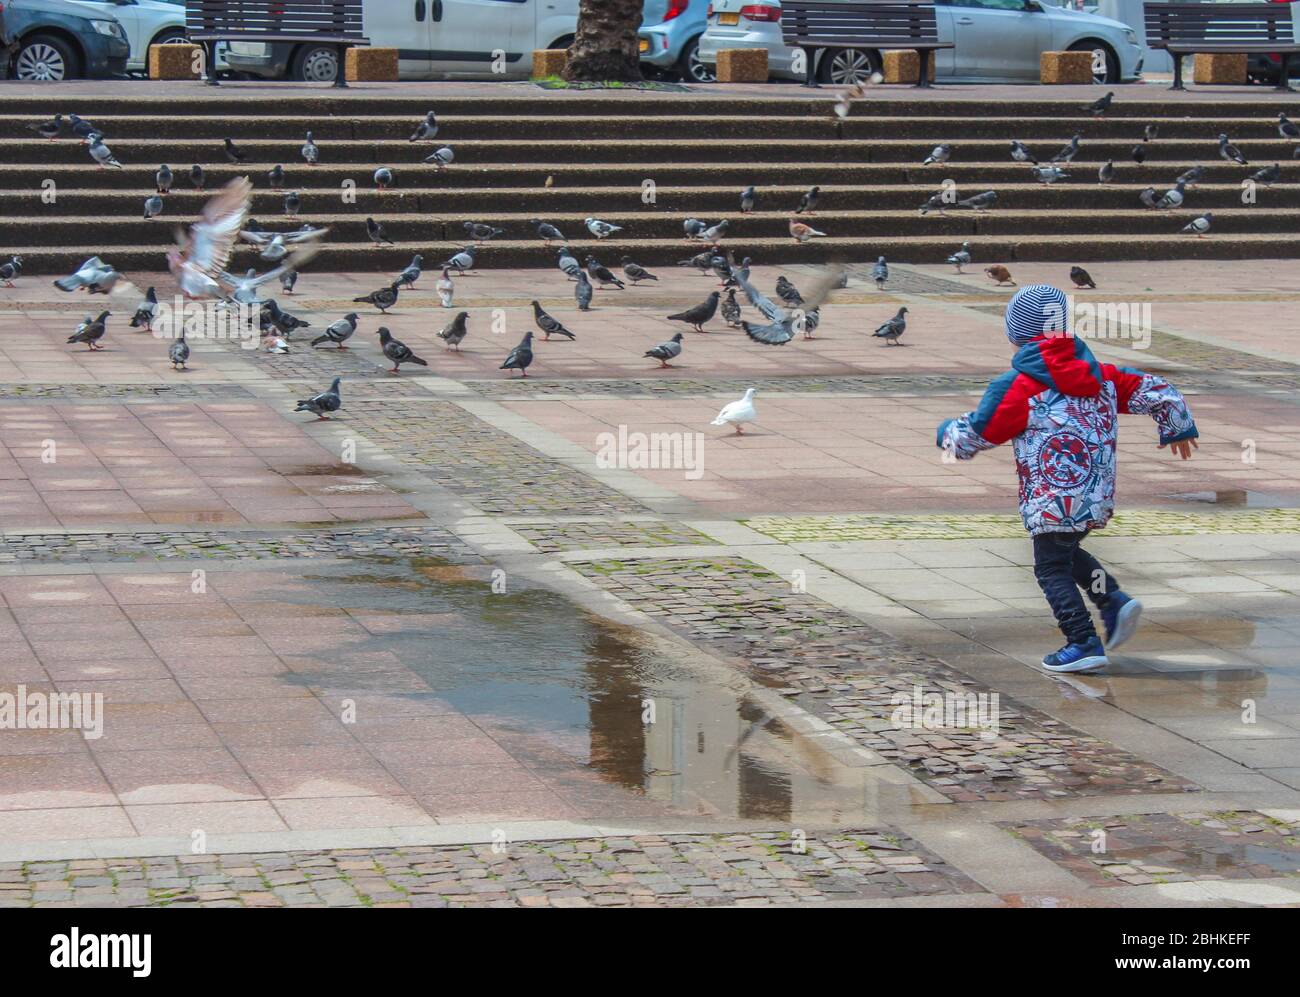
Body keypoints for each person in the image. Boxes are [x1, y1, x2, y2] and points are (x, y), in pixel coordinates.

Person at [936, 284, 1198, 673]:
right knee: (1066, 551)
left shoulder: (1018, 387)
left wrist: (945, 433)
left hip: (1051, 498)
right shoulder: (1102, 377)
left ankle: (1082, 641)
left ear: (1017, 334)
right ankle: (1112, 600)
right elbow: (1156, 389)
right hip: (1095, 495)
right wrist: (1177, 426)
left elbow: (977, 434)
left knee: (1050, 567)